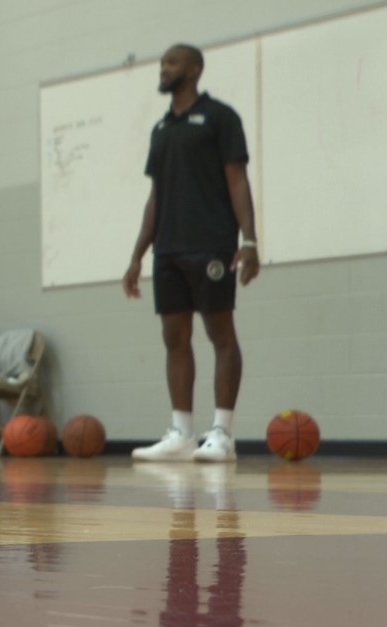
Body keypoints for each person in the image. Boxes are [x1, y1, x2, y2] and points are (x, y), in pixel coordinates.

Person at [123, 43, 260, 462]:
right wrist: (137, 255)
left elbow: (237, 180)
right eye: (162, 62)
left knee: (221, 334)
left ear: (195, 69)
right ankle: (182, 433)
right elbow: (156, 196)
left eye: (172, 62)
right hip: (168, 249)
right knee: (174, 338)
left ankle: (223, 434)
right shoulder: (161, 129)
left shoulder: (220, 117)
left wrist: (249, 241)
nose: (163, 69)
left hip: (211, 243)